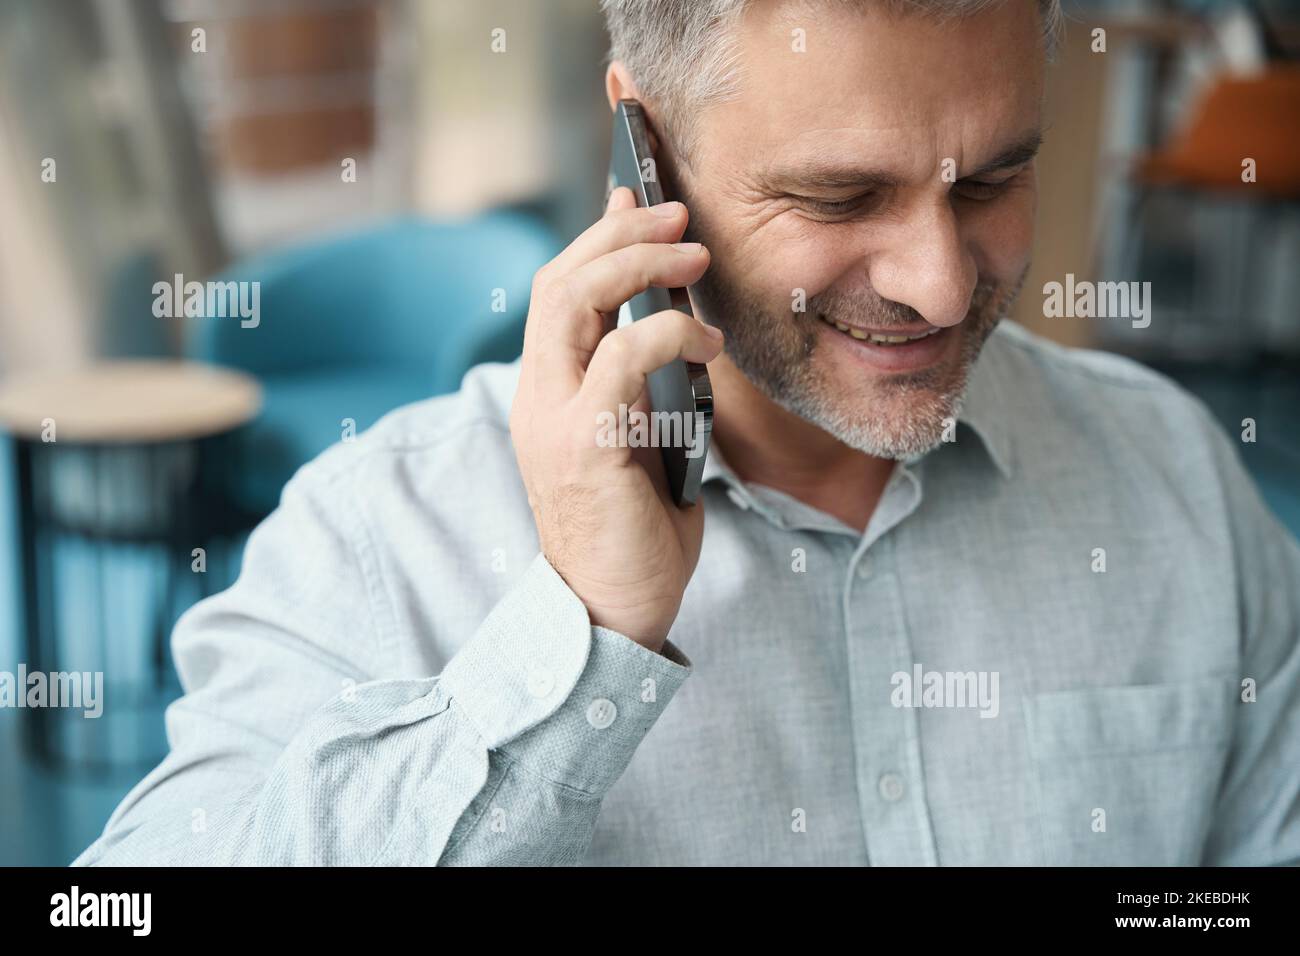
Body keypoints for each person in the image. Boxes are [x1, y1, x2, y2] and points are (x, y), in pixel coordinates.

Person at [77, 0, 1300, 866]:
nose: (936, 282)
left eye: (989, 180)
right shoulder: (377, 535)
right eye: (839, 195)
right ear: (646, 148)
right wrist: (577, 639)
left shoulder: (1175, 477)